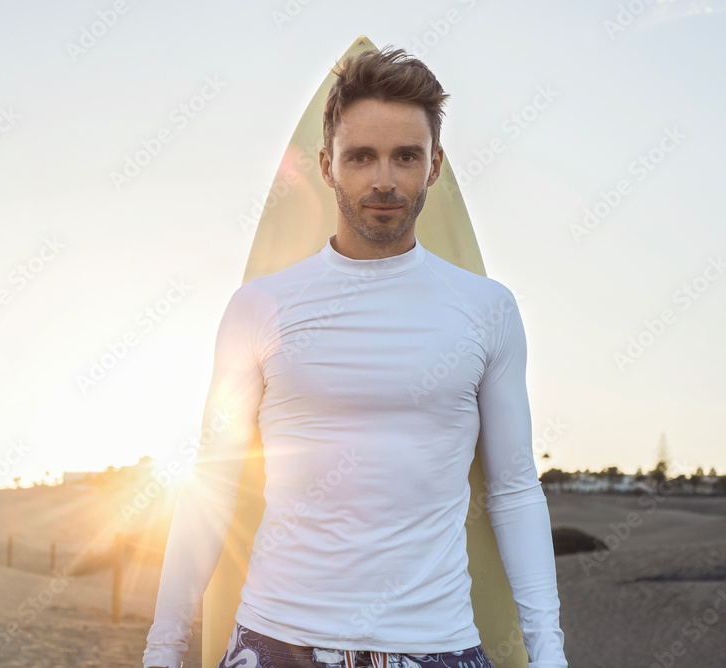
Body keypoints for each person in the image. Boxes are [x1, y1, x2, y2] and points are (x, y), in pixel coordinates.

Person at [142, 45, 568, 668]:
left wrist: (549, 654)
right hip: (276, 641)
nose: (384, 180)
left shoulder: (488, 309)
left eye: (406, 156)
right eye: (361, 156)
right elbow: (212, 484)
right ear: (327, 165)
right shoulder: (259, 307)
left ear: (434, 165)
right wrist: (162, 650)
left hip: (436, 646)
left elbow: (514, 491)